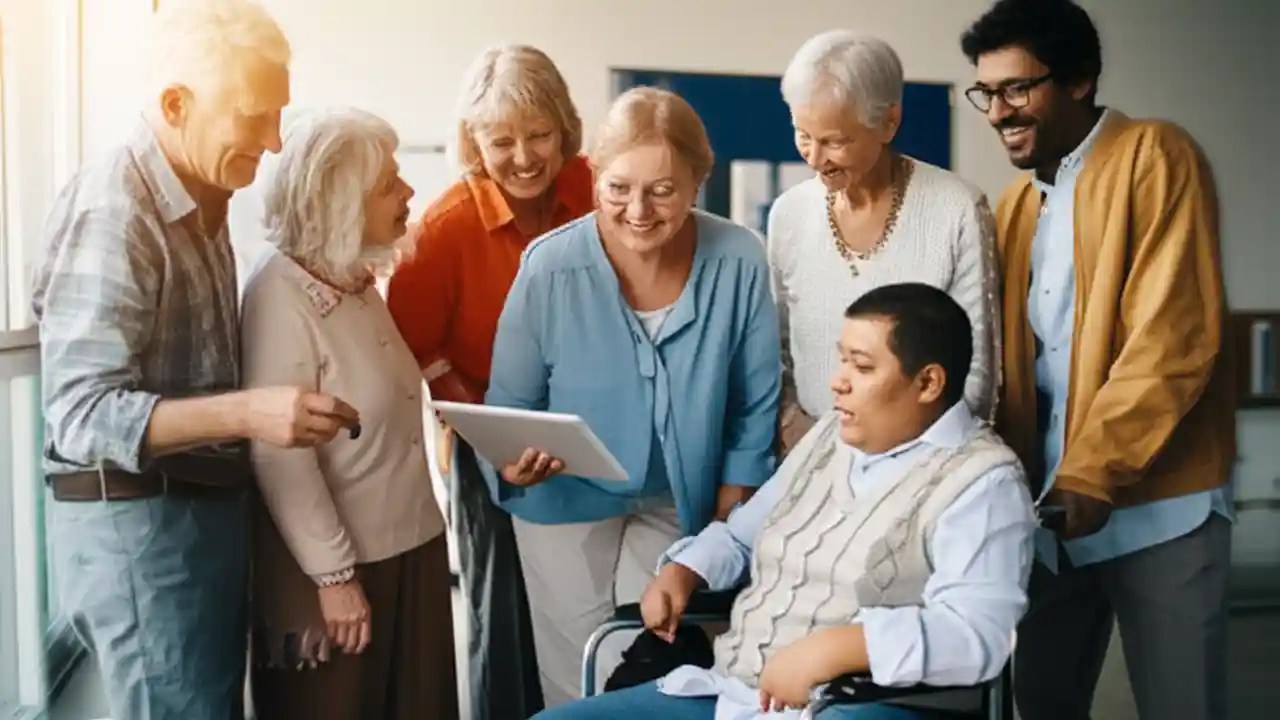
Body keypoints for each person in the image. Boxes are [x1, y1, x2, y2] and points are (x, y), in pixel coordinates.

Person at [30, 2, 359, 718]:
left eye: (280, 116)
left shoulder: (204, 197)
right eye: (253, 116)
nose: (274, 142)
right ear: (176, 104)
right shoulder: (115, 210)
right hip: (142, 526)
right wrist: (251, 411)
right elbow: (81, 413)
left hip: (191, 521)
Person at [532, 283, 1037, 720]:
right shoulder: (828, 439)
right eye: (842, 359)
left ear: (928, 382)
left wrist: (834, 649)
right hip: (735, 693)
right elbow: (739, 535)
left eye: (861, 367)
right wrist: (684, 572)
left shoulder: (982, 482)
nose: (838, 381)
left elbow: (977, 636)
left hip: (859, 706)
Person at [960, 1, 1236, 718]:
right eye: (987, 92)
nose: (998, 112)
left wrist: (1092, 470)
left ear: (1080, 79)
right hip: (1051, 518)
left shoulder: (1156, 154)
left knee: (1181, 706)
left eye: (1018, 88)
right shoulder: (1014, 207)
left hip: (1159, 509)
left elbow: (1172, 339)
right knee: (1042, 703)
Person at [483, 86, 781, 706]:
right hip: (560, 500)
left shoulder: (740, 258)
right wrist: (512, 461)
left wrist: (731, 511)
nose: (639, 210)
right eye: (618, 188)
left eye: (663, 189)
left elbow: (754, 402)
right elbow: (510, 402)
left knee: (644, 664)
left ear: (699, 179)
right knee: (574, 673)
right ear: (593, 175)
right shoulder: (548, 265)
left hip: (676, 497)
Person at [385, 43, 593, 718]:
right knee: (504, 615)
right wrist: (489, 428)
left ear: (565, 128)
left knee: (588, 603)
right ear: (471, 141)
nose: (526, 157)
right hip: (491, 445)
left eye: (540, 135)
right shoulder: (443, 229)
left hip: (593, 429)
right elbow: (414, 347)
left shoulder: (595, 187)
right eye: (502, 140)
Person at [241, 108, 458, 719]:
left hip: (409, 543)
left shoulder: (354, 281)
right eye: (389, 184)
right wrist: (334, 579)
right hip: (342, 567)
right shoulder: (278, 295)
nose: (409, 192)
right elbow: (280, 454)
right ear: (340, 201)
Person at [768, 31, 1000, 453]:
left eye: (835, 141)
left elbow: (978, 372)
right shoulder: (789, 214)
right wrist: (799, 436)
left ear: (889, 121)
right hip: (808, 456)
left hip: (921, 462)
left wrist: (903, 461)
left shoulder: (957, 208)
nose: (815, 158)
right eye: (803, 134)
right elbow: (776, 351)